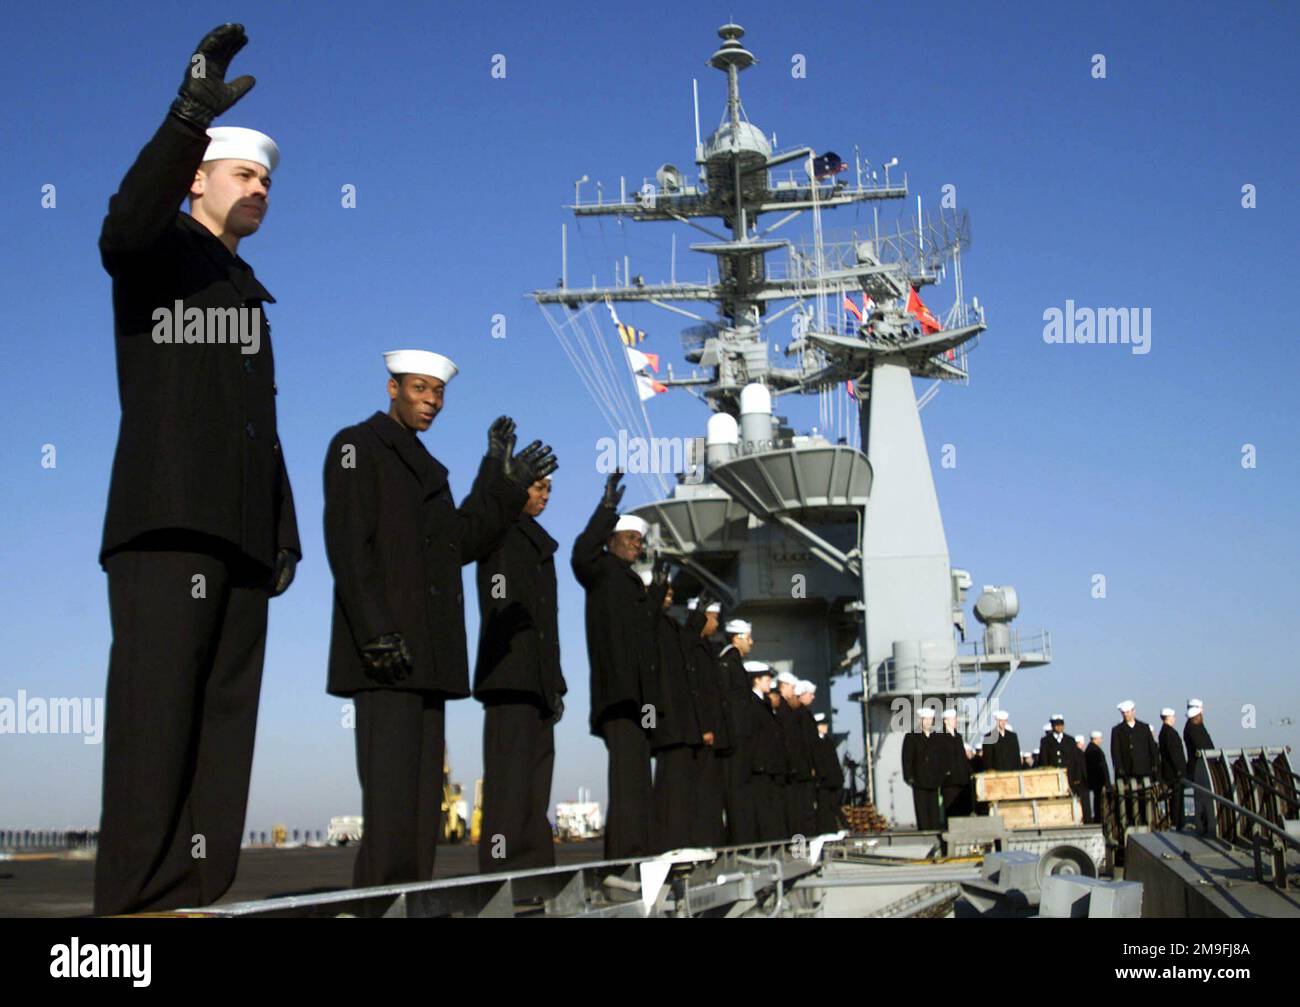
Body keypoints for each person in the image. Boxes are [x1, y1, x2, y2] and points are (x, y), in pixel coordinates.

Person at [94, 24, 301, 915]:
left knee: (223, 724)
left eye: (266, 179)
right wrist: (186, 115)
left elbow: (262, 424)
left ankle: (194, 893)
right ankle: (135, 912)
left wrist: (282, 527)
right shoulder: (157, 254)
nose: (259, 187)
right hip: (168, 523)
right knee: (158, 721)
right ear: (197, 178)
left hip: (242, 537)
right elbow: (125, 218)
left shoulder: (246, 294)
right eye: (242, 173)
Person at [324, 351, 555, 889]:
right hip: (385, 651)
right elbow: (348, 543)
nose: (431, 401)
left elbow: (460, 542)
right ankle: (378, 904)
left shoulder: (428, 468)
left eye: (438, 393)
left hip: (427, 655)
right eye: (420, 389)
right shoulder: (356, 447)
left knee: (424, 801)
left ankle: (411, 902)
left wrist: (505, 487)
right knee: (390, 798)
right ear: (392, 388)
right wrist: (373, 629)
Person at [473, 475, 565, 873]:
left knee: (535, 781)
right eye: (537, 486)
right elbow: (493, 585)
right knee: (508, 782)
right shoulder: (497, 528)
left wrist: (556, 683)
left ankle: (533, 870)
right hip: (508, 671)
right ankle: (499, 868)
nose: (545, 495)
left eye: (549, 489)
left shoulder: (540, 542)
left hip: (540, 679)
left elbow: (551, 623)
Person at [571, 473, 664, 858]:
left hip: (642, 699)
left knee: (641, 777)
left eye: (640, 540)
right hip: (619, 695)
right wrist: (606, 509)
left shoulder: (630, 584)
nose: (636, 545)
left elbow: (643, 635)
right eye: (630, 538)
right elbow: (581, 552)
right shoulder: (602, 572)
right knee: (626, 779)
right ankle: (624, 857)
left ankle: (642, 849)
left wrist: (656, 592)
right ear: (610, 540)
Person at [649, 582, 709, 851]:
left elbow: (686, 642)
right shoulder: (648, 621)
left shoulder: (670, 626)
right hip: (666, 719)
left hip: (681, 721)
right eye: (665, 593)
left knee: (682, 786)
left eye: (672, 593)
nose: (670, 597)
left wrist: (698, 613)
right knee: (670, 788)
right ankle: (670, 843)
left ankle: (682, 841)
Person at [682, 598, 726, 846]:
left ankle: (712, 840)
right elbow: (696, 690)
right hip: (701, 731)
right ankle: (701, 840)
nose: (717, 622)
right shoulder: (692, 646)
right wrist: (705, 727)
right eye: (714, 616)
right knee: (701, 789)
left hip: (711, 729)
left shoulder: (707, 648)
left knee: (711, 790)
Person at [717, 619, 757, 843]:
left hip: (741, 734)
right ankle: (739, 840)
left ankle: (743, 838)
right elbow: (725, 701)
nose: (751, 642)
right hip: (735, 735)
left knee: (740, 788)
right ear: (737, 637)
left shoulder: (733, 662)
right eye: (748, 637)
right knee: (735, 789)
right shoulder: (727, 662)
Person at [747, 663, 788, 841]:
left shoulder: (763, 703)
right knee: (761, 807)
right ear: (756, 680)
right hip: (760, 764)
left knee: (770, 808)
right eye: (766, 679)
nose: (770, 682)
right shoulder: (752, 702)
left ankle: (772, 841)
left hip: (769, 764)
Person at [1110, 700, 1161, 827]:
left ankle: (1146, 820)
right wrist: (1119, 768)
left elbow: (1152, 749)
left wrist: (1155, 766)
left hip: (1144, 769)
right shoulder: (1117, 730)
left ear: (1133, 711)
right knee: (1128, 798)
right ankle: (1130, 821)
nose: (1126, 715)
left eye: (1127, 712)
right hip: (1128, 771)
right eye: (1123, 713)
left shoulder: (1144, 728)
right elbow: (1115, 751)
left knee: (1145, 797)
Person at [777, 675, 816, 837]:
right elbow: (795, 741)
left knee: (801, 806)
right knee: (797, 807)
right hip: (794, 767)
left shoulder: (795, 712)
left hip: (797, 767)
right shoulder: (790, 711)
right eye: (792, 688)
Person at [901, 707, 946, 829]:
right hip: (919, 780)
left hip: (933, 781)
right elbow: (907, 759)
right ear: (920, 720)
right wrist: (909, 777)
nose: (928, 722)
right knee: (922, 811)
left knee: (934, 811)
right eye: (925, 719)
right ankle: (924, 833)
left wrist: (941, 777)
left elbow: (941, 759)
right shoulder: (911, 737)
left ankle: (935, 832)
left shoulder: (936, 738)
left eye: (930, 719)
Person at [1183, 699, 1216, 834]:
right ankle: (1204, 825)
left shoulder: (1195, 726)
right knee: (1203, 798)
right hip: (1200, 768)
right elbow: (1202, 748)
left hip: (1202, 767)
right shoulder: (1193, 728)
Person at [812, 713, 844, 833]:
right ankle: (827, 831)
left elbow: (834, 763)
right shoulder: (815, 742)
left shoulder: (828, 742)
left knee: (832, 807)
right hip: (824, 782)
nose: (826, 727)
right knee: (824, 809)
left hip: (832, 782)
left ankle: (835, 830)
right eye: (823, 724)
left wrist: (839, 779)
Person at [1157, 708, 1188, 830]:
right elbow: (1174, 753)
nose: (1174, 719)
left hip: (1170, 771)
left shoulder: (1163, 732)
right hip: (1174, 773)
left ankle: (1177, 821)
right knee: (1177, 798)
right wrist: (1179, 771)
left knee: (1176, 797)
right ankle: (1178, 822)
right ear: (1169, 717)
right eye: (1173, 716)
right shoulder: (1169, 732)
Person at [939, 709, 973, 818]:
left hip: (962, 780)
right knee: (951, 810)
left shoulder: (958, 737)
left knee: (963, 809)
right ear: (945, 721)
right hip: (949, 782)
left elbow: (962, 758)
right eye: (953, 719)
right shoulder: (940, 737)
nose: (955, 721)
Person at [1085, 731, 1110, 824]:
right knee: (1099, 801)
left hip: (1095, 781)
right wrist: (1106, 782)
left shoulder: (1090, 749)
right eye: (1100, 738)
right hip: (1097, 781)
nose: (1101, 740)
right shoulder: (1095, 750)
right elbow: (1101, 767)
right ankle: (1099, 819)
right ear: (1096, 739)